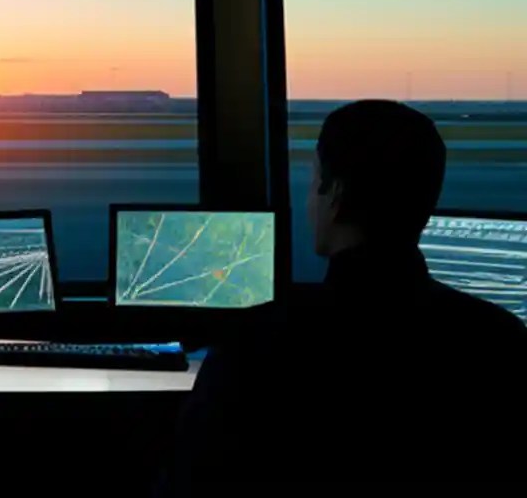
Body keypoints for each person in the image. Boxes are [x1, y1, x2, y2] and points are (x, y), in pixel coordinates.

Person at [156, 100, 527, 493]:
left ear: (334, 194)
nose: (308, 201)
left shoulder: (253, 345)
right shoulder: (501, 340)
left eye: (314, 181)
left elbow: (188, 488)